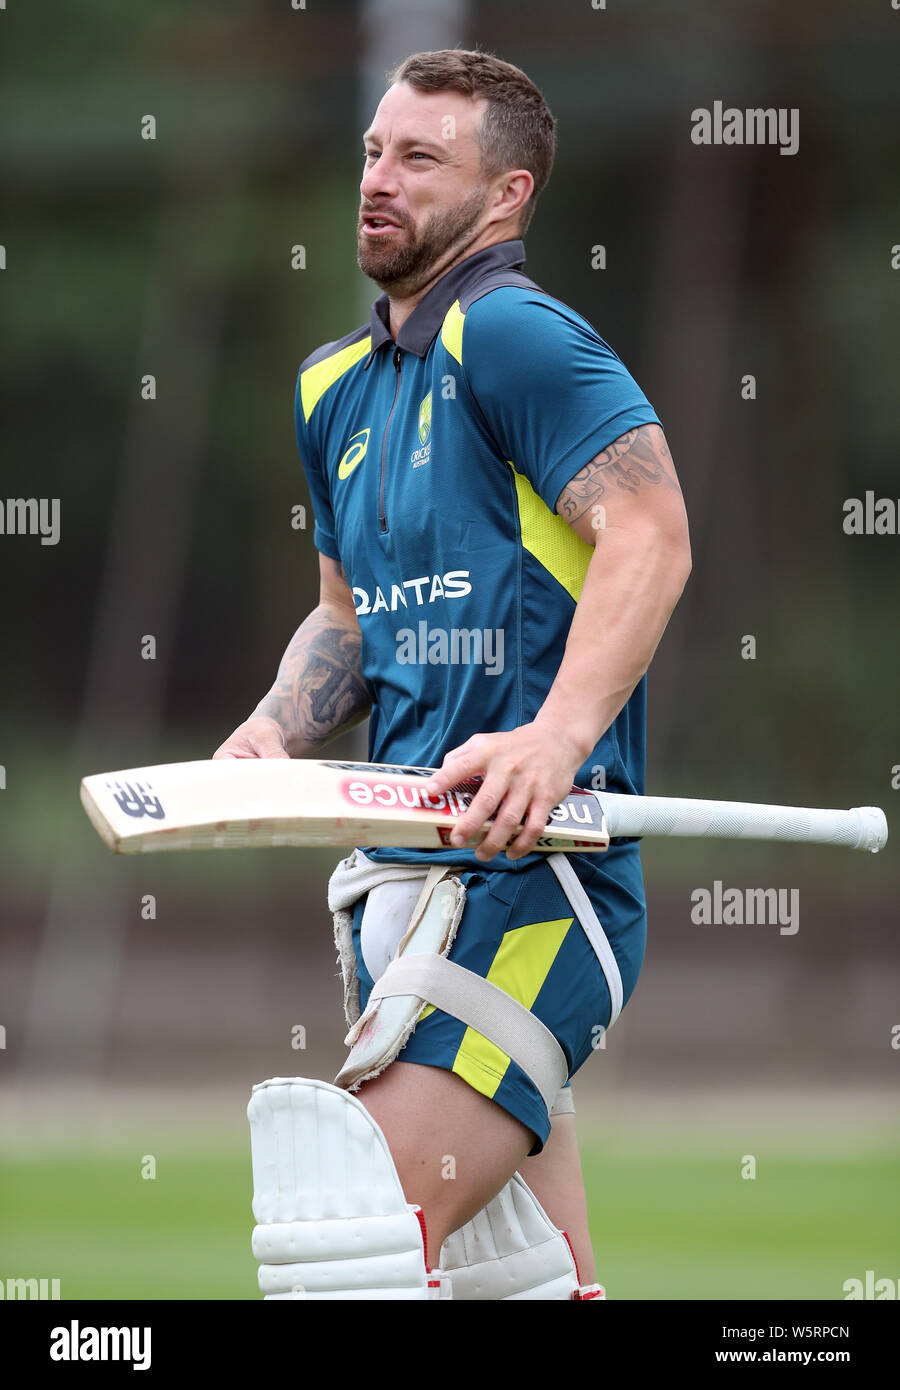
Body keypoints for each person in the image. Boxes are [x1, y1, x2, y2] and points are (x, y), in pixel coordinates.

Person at [217, 48, 691, 1299]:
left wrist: (554, 737)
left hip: (533, 886)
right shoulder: (334, 383)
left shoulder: (517, 334)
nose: (379, 179)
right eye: (375, 150)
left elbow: (650, 531)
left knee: (350, 1245)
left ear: (506, 197)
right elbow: (350, 616)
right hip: (400, 887)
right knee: (521, 1292)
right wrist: (275, 727)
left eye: (422, 158)